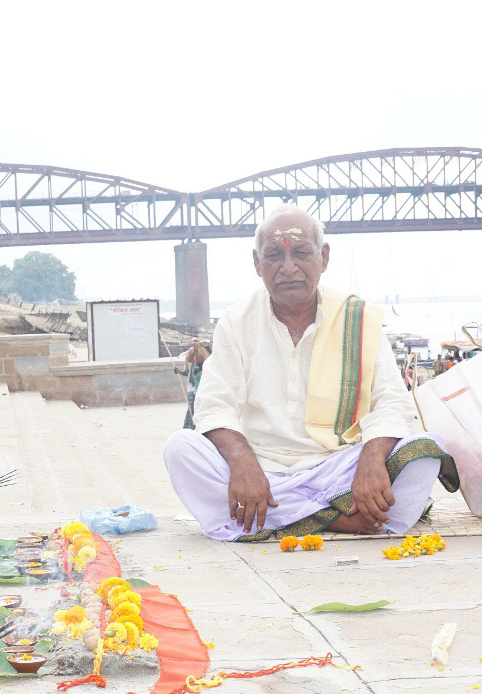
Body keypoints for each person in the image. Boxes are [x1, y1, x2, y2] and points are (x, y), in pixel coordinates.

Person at [161, 208, 454, 542]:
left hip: (339, 467)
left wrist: (372, 461)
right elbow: (214, 405)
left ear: (323, 257)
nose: (288, 267)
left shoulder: (356, 318)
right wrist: (243, 463)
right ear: (257, 263)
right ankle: (333, 518)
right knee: (179, 449)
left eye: (301, 253)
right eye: (274, 255)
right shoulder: (236, 321)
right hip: (260, 471)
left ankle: (276, 517)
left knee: (425, 451)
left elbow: (391, 401)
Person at [178, 339, 211, 429]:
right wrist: (178, 371)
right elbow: (186, 372)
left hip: (202, 389)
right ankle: (189, 427)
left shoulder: (206, 361)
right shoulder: (189, 359)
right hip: (192, 388)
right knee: (191, 407)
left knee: (198, 408)